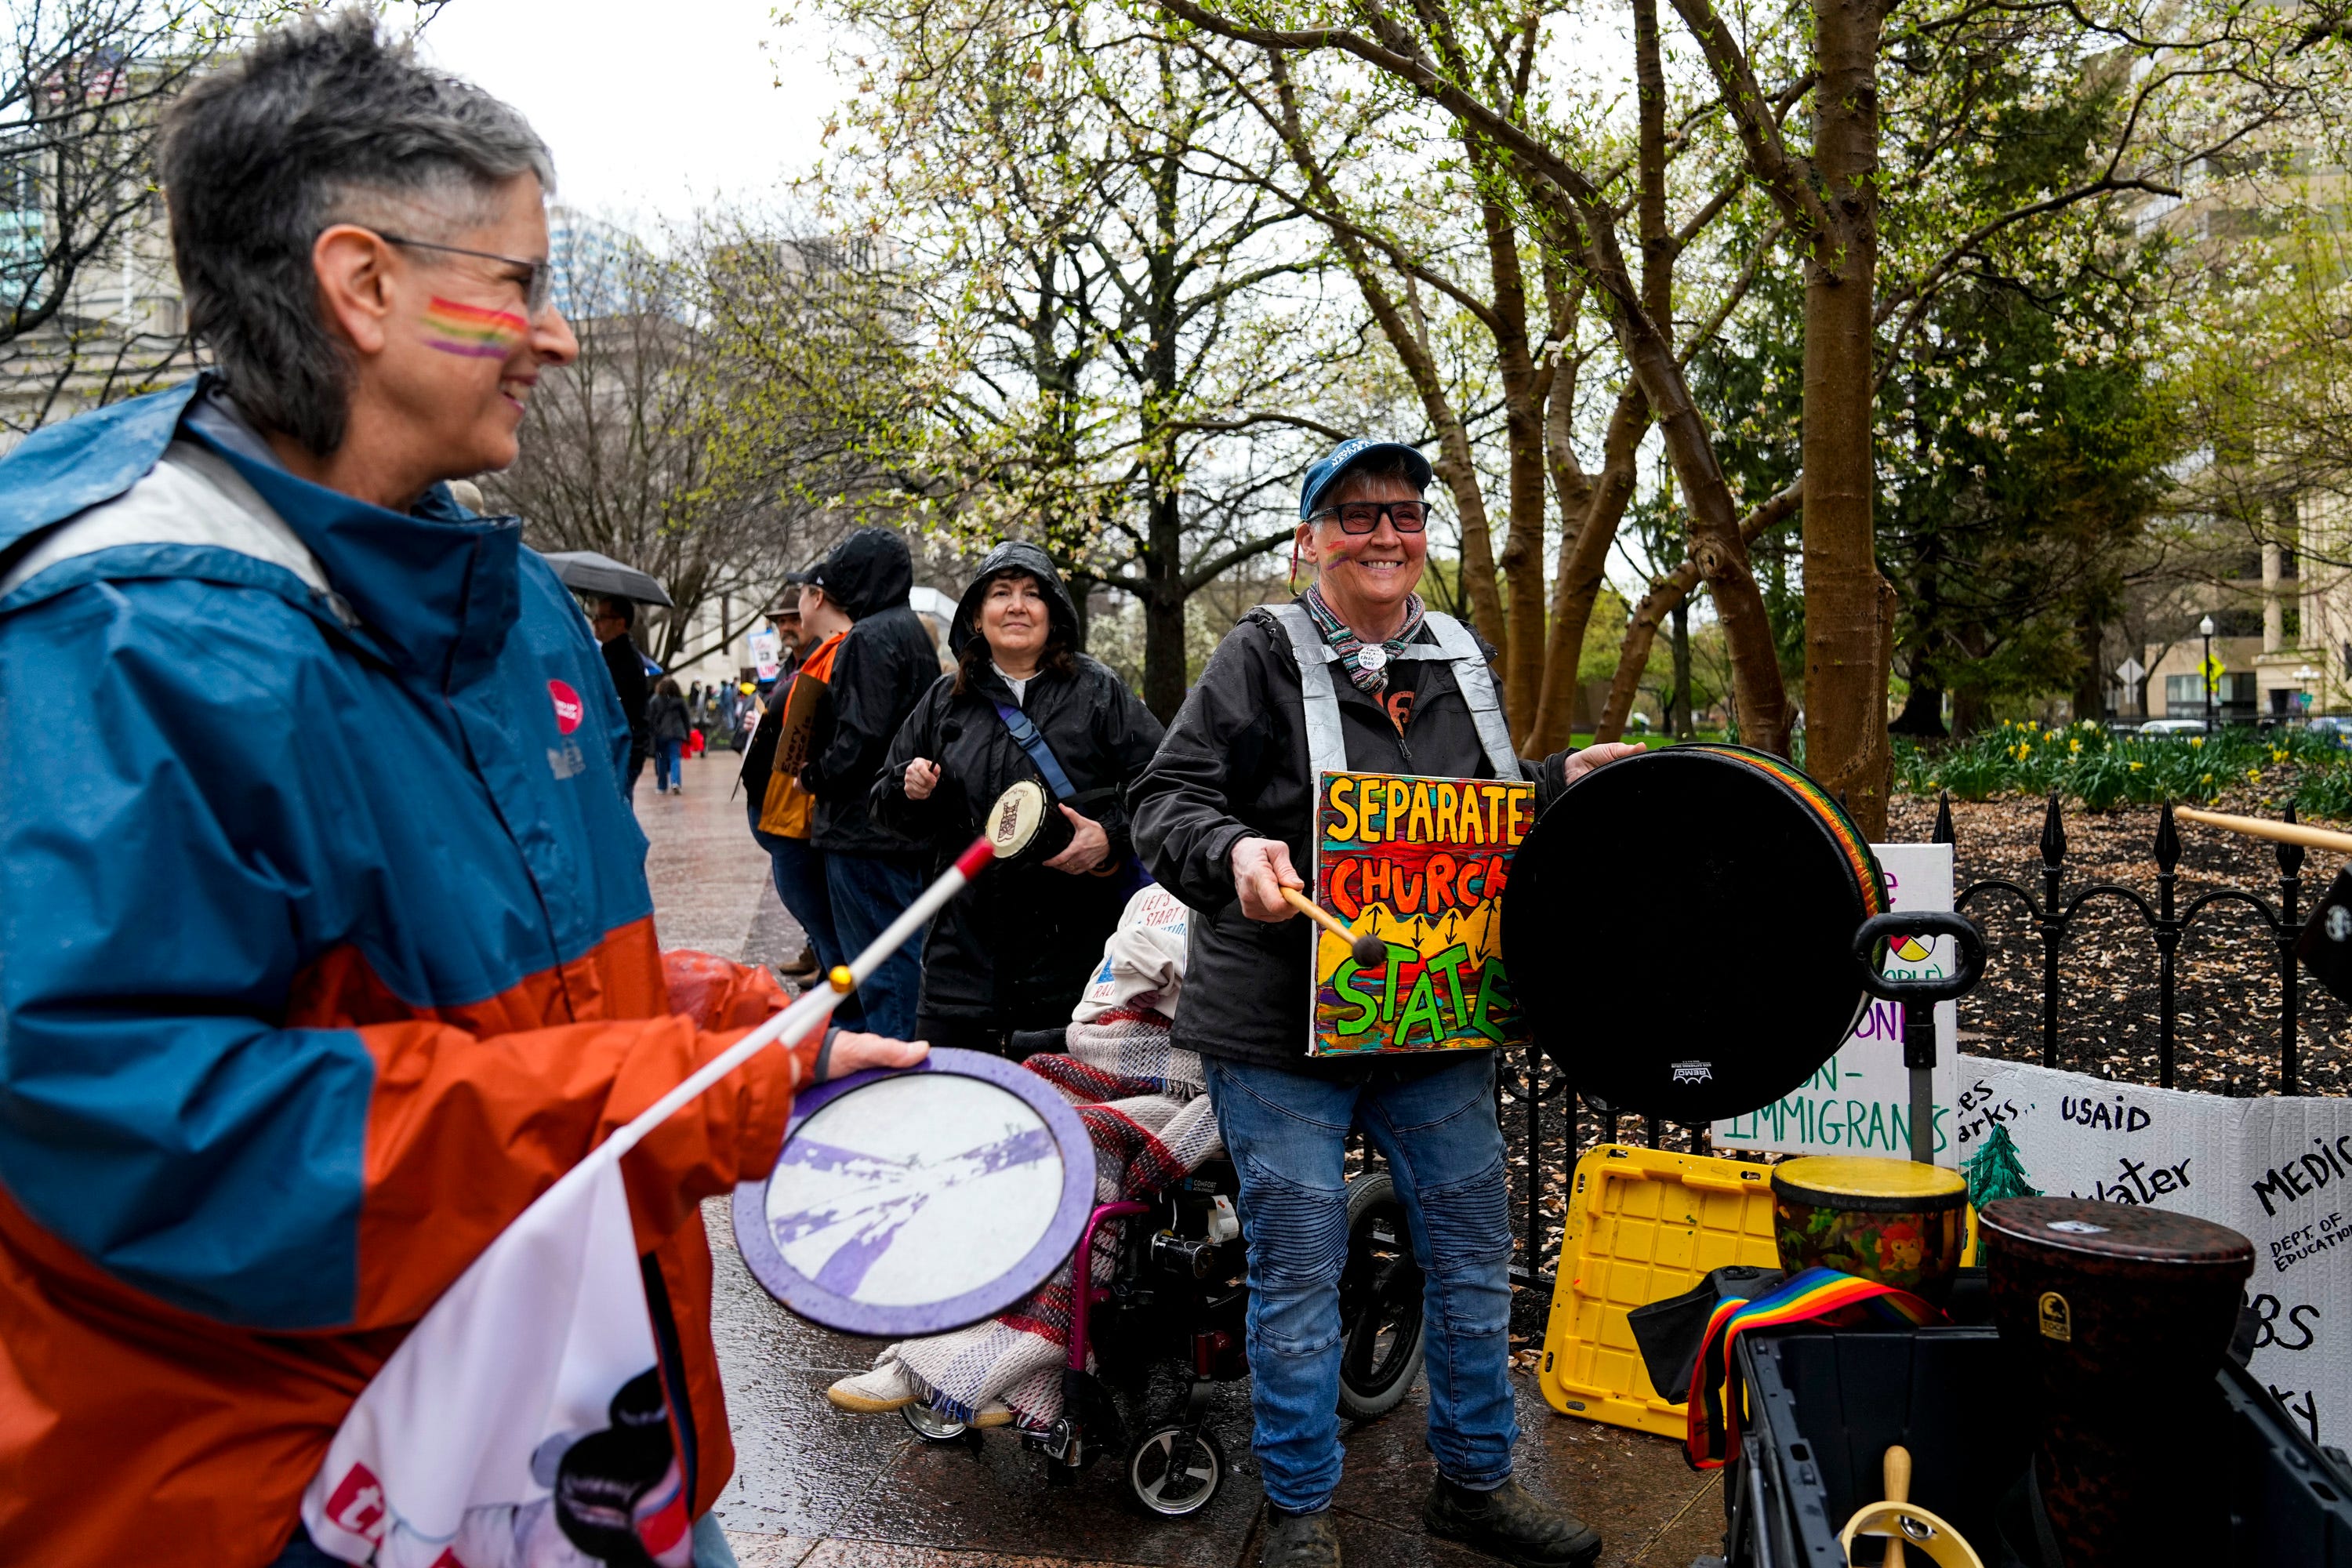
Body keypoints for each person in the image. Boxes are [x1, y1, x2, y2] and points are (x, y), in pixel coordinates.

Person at [0, 17, 924, 1566]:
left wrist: (703, 1016)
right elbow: (141, 1134)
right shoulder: (120, 634)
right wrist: (661, 1099)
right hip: (317, 1493)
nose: (554, 337)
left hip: (590, 1434)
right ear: (362, 285)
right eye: (517, 287)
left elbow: (461, 984)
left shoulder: (494, 591)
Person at [1131, 437, 1643, 1568]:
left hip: (1431, 1020)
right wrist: (1235, 854)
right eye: (1354, 515)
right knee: (1301, 1269)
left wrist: (1558, 785)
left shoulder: (1461, 656)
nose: (1383, 534)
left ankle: (1472, 1484)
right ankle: (1303, 1512)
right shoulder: (1255, 658)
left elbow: (1469, 813)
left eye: (1404, 514)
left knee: (1468, 1258)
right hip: (1277, 1029)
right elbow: (1164, 801)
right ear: (1311, 539)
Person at [871, 541, 1165, 1054]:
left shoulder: (1098, 692)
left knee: (1064, 1124)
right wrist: (908, 788)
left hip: (1073, 967)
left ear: (1053, 614)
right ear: (977, 618)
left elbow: (1164, 786)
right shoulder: (944, 703)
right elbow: (883, 808)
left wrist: (1110, 837)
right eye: (1001, 593)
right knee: (951, 1112)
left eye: (1032, 594)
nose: (1016, 605)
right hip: (958, 969)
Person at [797, 528, 942, 1041]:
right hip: (898, 822)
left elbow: (860, 735)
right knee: (897, 950)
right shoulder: (911, 632)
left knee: (878, 960)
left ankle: (894, 1064)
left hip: (861, 827)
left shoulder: (869, 637)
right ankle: (899, 1053)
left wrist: (812, 775)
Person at [743, 569, 851, 993]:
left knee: (818, 910)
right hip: (778, 803)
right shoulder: (795, 664)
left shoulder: (831, 656)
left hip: (798, 808)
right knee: (812, 911)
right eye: (781, 621)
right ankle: (824, 968)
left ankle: (836, 990)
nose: (789, 626)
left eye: (794, 615)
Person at [594, 593, 652, 799]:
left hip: (623, 749)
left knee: (618, 808)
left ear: (620, 622)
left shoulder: (624, 658)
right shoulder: (609, 653)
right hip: (618, 747)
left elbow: (610, 702)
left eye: (602, 617)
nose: (595, 623)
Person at [648, 676, 690, 794]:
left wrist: (652, 733)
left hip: (660, 734)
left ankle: (662, 786)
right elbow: (686, 719)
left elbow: (650, 718)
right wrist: (687, 734)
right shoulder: (680, 701)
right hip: (676, 733)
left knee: (661, 759)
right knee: (675, 757)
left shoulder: (655, 700)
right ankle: (675, 782)